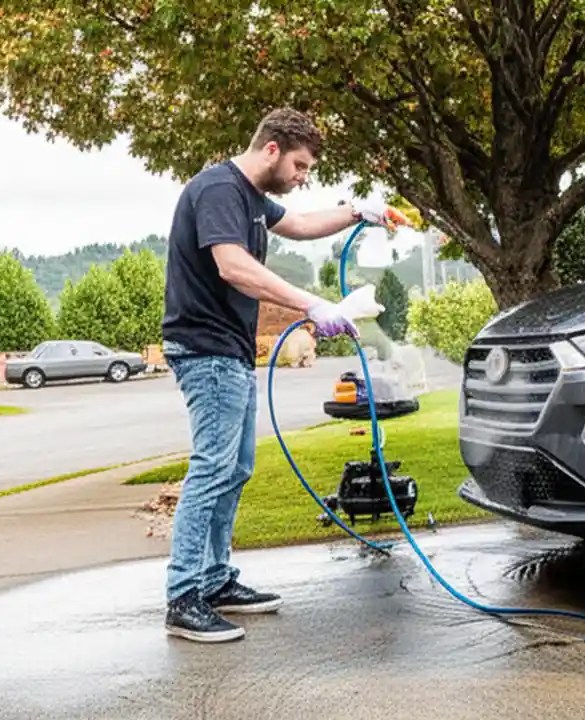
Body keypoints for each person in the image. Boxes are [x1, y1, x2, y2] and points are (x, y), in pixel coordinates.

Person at [160, 106, 406, 643]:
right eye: (299, 166)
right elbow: (233, 266)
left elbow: (298, 225)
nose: (301, 177)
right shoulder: (219, 190)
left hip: (230, 351)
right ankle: (184, 597)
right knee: (212, 469)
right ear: (271, 149)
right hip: (205, 350)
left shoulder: (251, 198)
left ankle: (215, 580)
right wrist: (314, 304)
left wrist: (359, 211)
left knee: (235, 469)